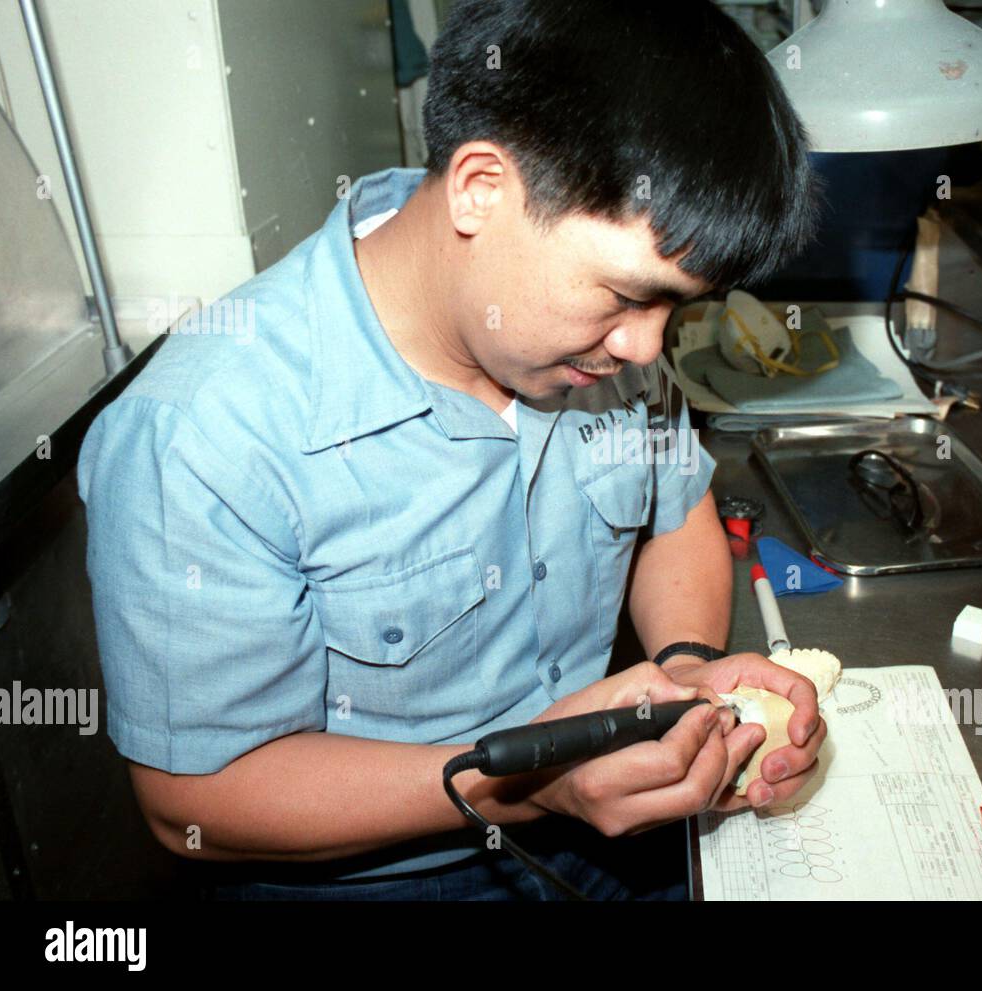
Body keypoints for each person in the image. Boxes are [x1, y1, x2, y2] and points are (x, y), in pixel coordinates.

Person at [77, 0, 823, 901]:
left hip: (604, 831)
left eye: (678, 309)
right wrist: (526, 785)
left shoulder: (601, 348)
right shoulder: (205, 431)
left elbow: (676, 517)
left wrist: (683, 672)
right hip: (370, 878)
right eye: (629, 296)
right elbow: (194, 799)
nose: (647, 350)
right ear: (479, 190)